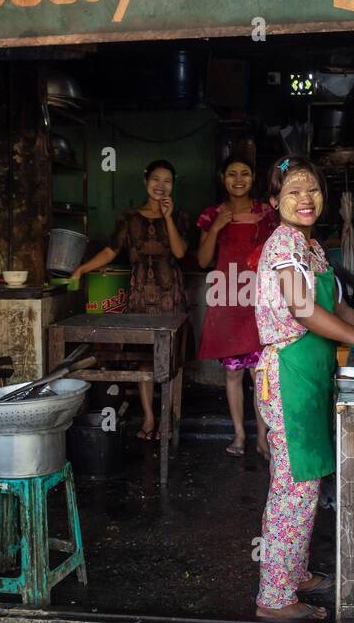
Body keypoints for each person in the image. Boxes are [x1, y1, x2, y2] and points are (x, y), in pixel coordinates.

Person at [253, 156, 354, 623]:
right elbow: (306, 311)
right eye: (293, 191)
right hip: (289, 373)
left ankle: (294, 571)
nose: (305, 198)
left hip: (309, 375)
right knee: (294, 486)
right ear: (275, 202)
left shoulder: (312, 248)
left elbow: (339, 305)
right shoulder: (283, 246)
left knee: (307, 480)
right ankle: (274, 596)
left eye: (312, 190)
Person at [71, 160, 190, 440]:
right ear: (145, 181)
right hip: (139, 297)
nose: (161, 186)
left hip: (169, 296)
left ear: (173, 185)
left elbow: (180, 252)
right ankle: (149, 417)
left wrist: (168, 217)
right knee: (143, 359)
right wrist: (82, 268)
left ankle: (166, 418)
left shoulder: (180, 216)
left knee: (170, 359)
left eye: (167, 181)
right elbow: (111, 251)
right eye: (156, 179)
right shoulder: (128, 218)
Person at [196, 153, 277, 459]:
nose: (238, 179)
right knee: (232, 375)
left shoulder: (266, 212)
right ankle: (240, 435)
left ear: (253, 177)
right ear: (223, 178)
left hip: (258, 299)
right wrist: (216, 228)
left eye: (244, 173)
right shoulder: (211, 214)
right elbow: (203, 260)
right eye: (232, 173)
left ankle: (263, 438)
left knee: (260, 374)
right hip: (227, 298)